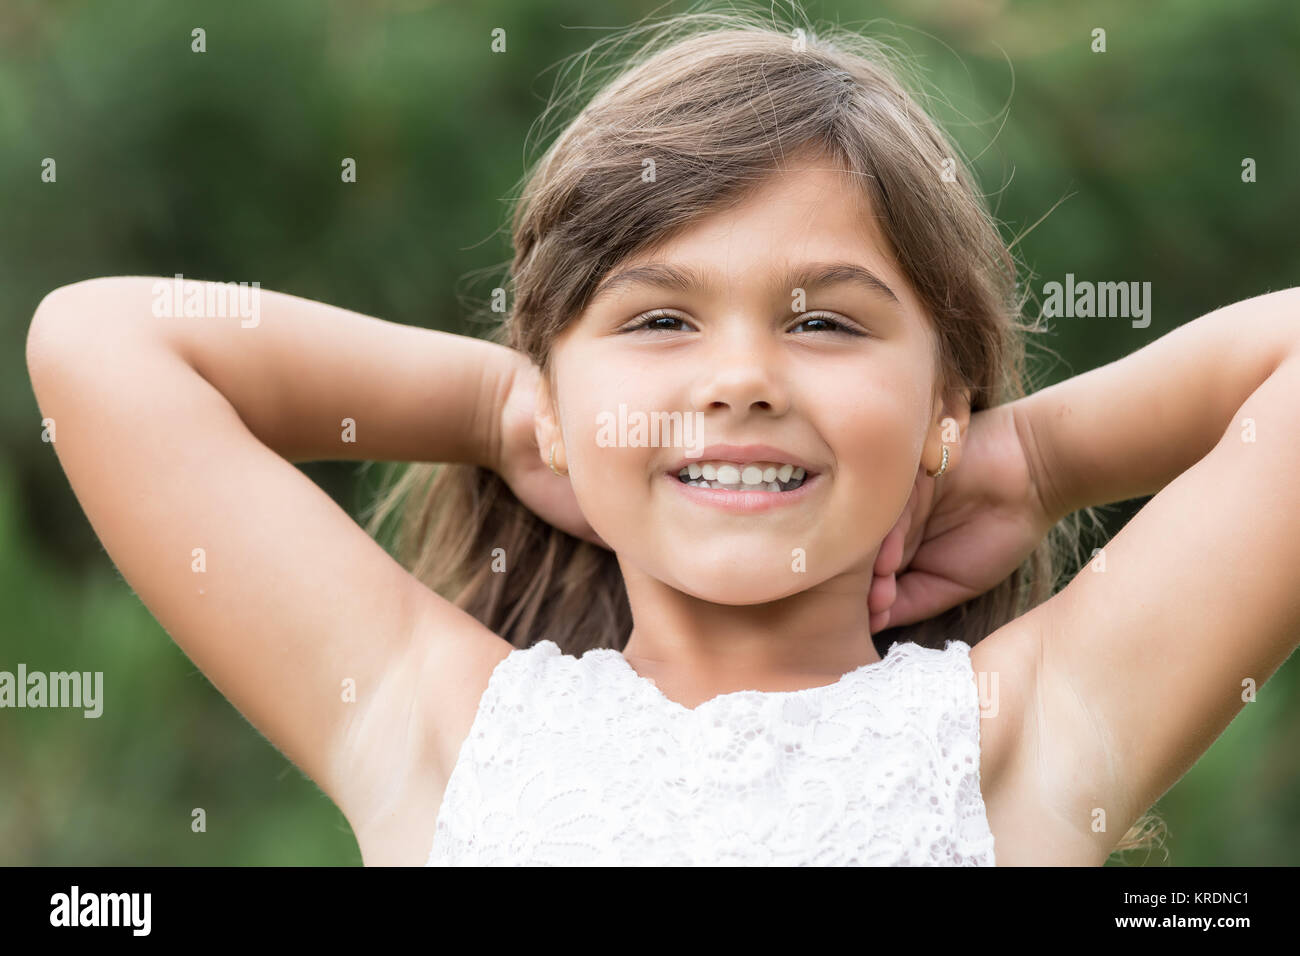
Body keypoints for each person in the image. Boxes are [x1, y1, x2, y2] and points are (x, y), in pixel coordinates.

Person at [25, 10, 1300, 866]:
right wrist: (495, 408)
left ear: (939, 401)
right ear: (557, 396)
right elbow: (101, 345)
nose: (740, 377)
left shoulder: (1027, 735)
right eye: (658, 319)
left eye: (825, 322)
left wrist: (1025, 458)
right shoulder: (434, 723)